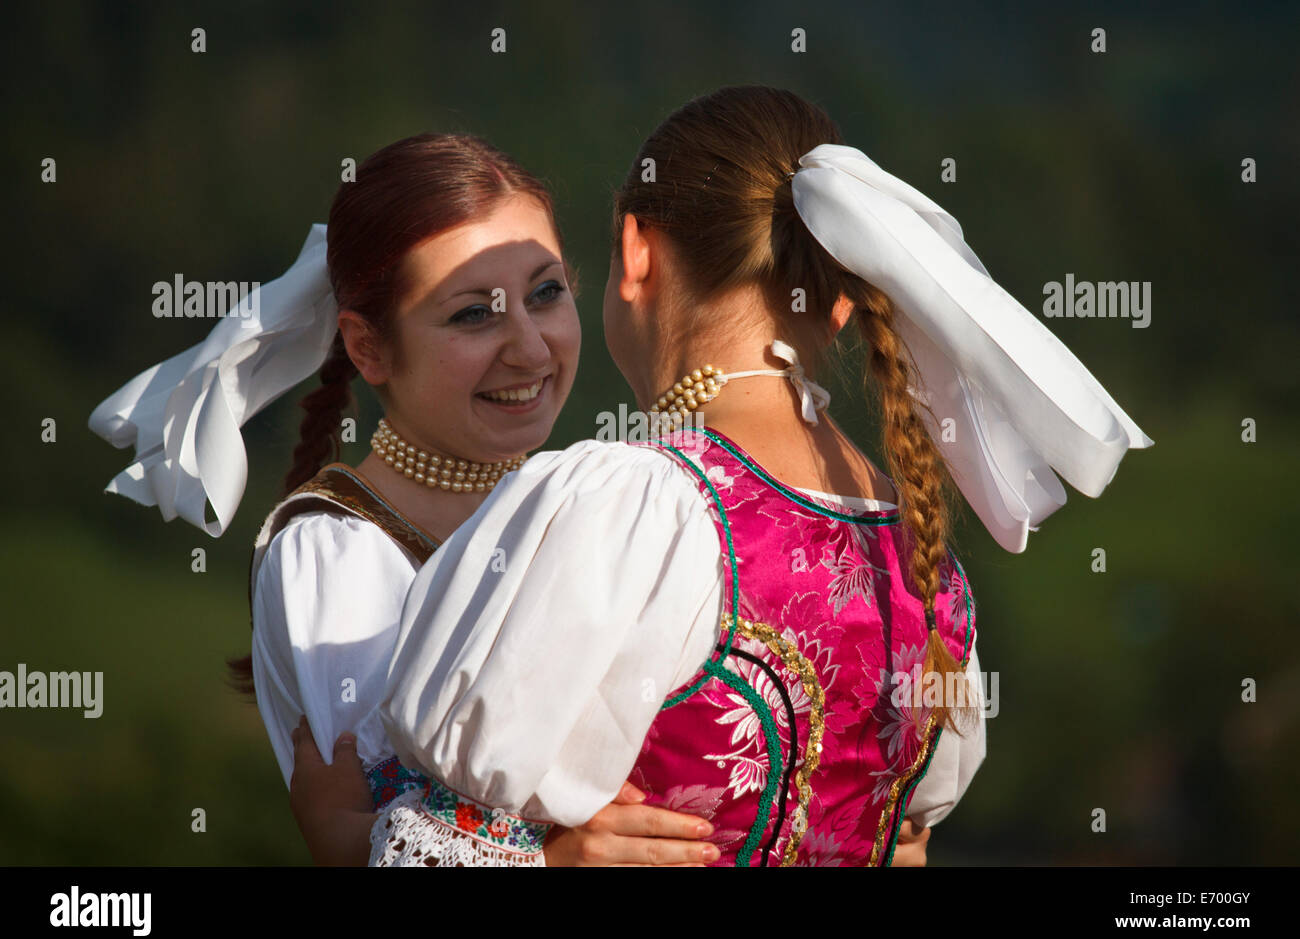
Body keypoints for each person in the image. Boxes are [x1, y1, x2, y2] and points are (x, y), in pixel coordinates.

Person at [292, 84, 1148, 866]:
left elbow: (424, 849)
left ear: (635, 251)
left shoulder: (627, 504)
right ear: (843, 294)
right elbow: (909, 840)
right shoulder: (923, 552)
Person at [89, 132, 723, 866]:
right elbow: (389, 838)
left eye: (545, 293)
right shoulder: (333, 552)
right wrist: (554, 859)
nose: (529, 347)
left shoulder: (576, 500)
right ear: (368, 349)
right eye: (473, 315)